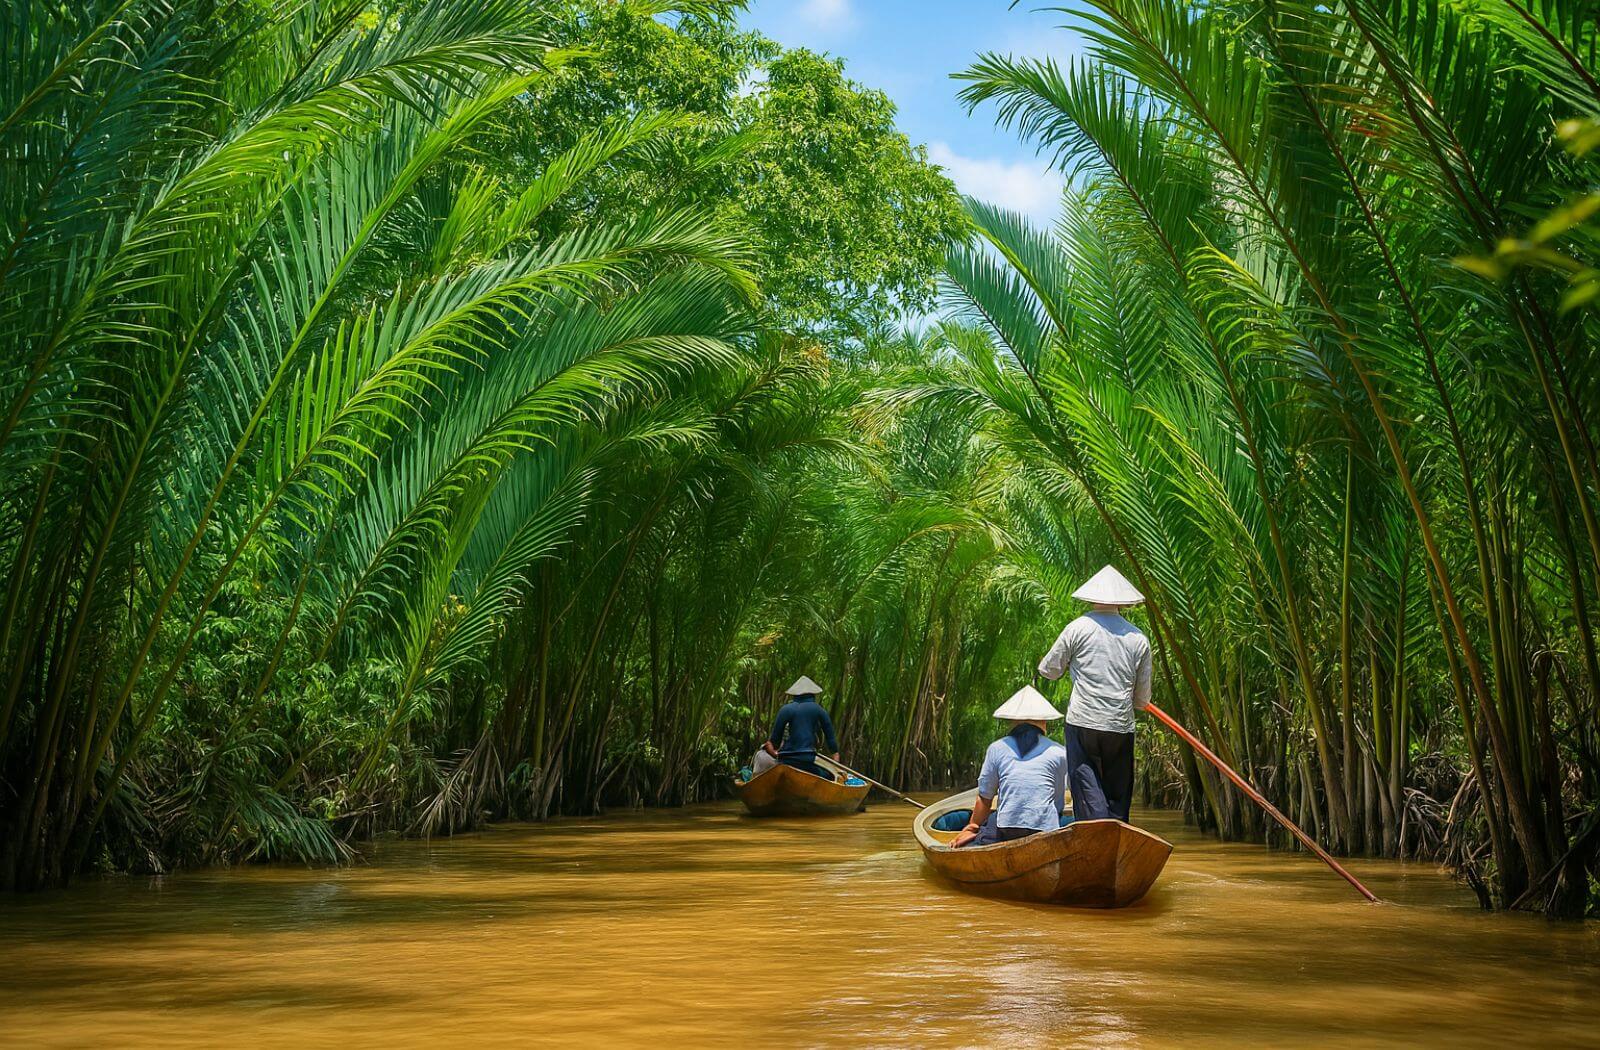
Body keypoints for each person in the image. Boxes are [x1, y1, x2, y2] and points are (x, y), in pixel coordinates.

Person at [1036, 564, 1153, 823]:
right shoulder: (1138, 638)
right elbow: (1142, 700)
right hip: (1119, 725)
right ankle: (1115, 831)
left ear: (1092, 597)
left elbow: (1048, 670)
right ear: (1121, 602)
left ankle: (1094, 832)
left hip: (1083, 722)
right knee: (1117, 796)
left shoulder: (1077, 628)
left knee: (1086, 786)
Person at [951, 685, 1068, 848]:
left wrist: (972, 828)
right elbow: (1058, 800)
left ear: (1013, 722)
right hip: (1046, 830)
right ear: (1044, 722)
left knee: (988, 826)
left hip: (1007, 828)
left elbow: (985, 798)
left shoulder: (997, 748)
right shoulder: (1059, 752)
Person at [763, 675, 840, 781]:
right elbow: (830, 738)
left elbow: (774, 741)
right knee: (829, 776)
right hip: (808, 759)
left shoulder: (785, 710)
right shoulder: (819, 710)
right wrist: (835, 758)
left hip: (786, 759)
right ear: (813, 694)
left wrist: (772, 751)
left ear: (795, 694)